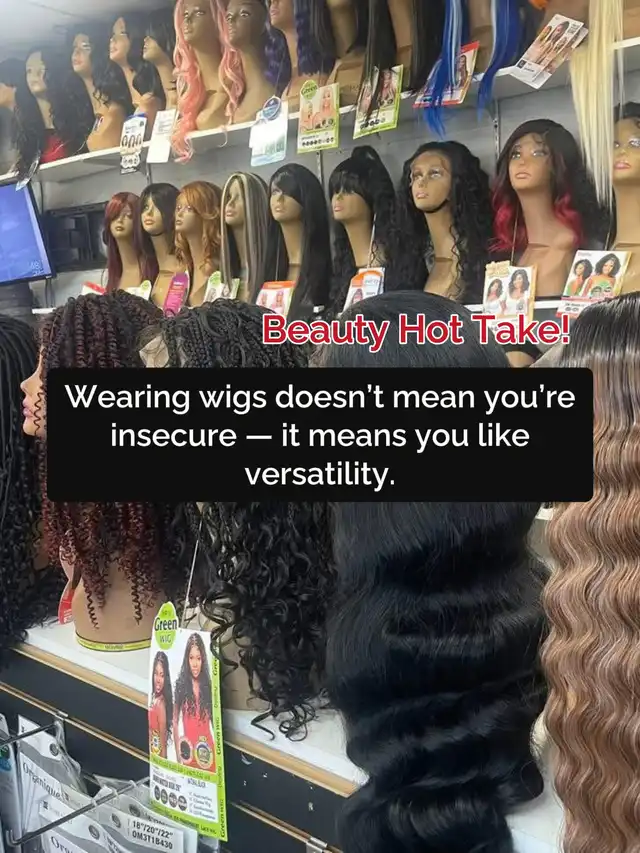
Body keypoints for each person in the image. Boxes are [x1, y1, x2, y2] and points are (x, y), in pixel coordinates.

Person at [173, 633, 215, 770]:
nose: (195, 664)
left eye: (198, 658)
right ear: (187, 659)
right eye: (191, 658)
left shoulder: (208, 686)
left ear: (203, 659)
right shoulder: (181, 685)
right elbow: (174, 721)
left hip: (208, 753)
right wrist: (178, 757)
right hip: (188, 754)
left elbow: (215, 723)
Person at [149, 650, 173, 759]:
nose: (158, 680)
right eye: (156, 673)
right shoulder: (154, 698)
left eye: (162, 675)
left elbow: (163, 747)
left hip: (158, 758)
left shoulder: (160, 704)